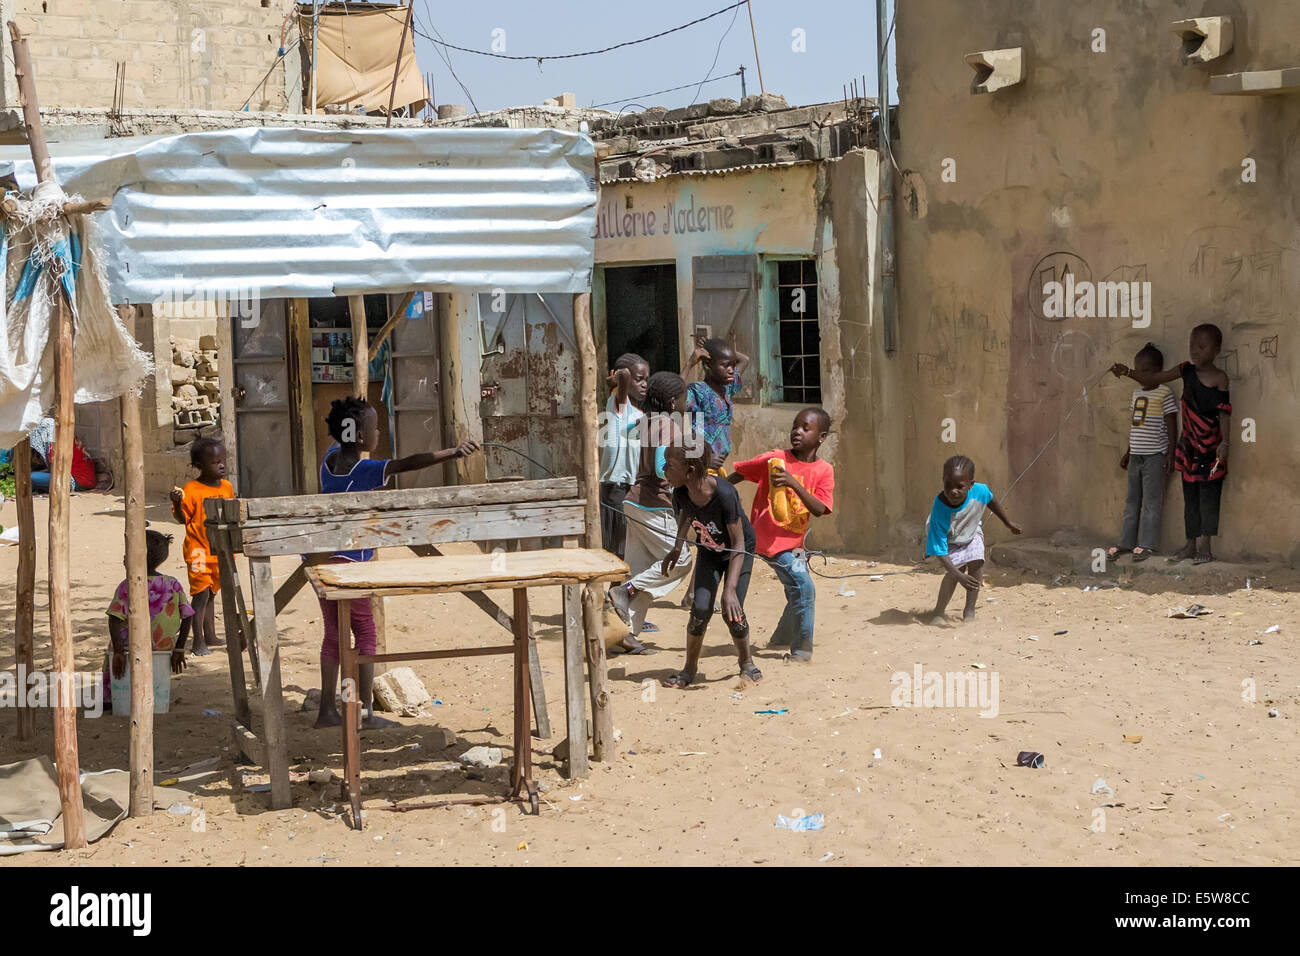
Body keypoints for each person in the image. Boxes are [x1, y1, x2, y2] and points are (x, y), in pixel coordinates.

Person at [313, 396, 480, 729]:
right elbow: (410, 463)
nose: (378, 434)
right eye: (374, 428)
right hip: (351, 566)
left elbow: (351, 444)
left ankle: (327, 711)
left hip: (322, 560)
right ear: (359, 436)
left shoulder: (328, 461)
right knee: (365, 630)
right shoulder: (367, 470)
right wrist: (453, 452)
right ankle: (363, 712)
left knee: (333, 635)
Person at [1111, 323, 1230, 564]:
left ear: (1216, 349)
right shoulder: (1185, 370)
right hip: (1189, 446)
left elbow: (1225, 412)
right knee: (1190, 497)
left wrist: (1226, 442)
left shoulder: (1220, 378)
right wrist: (1127, 372)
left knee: (1208, 496)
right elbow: (1151, 378)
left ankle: (1205, 546)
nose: (1195, 351)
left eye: (1201, 346)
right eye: (1191, 346)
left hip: (1210, 446)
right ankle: (1190, 544)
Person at [729, 407, 835, 662]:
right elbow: (741, 473)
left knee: (797, 590)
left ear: (821, 437)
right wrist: (717, 490)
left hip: (794, 544)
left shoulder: (824, 470)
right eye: (794, 427)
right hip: (770, 542)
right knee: (803, 587)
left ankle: (781, 637)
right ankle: (801, 651)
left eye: (805, 428)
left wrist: (792, 482)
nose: (796, 432)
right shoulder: (776, 459)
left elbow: (820, 508)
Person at [607, 371, 694, 654]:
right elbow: (661, 466)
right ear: (672, 402)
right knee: (680, 560)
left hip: (633, 502)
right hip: (652, 504)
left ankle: (626, 634)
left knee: (644, 571)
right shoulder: (670, 426)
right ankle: (623, 591)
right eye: (683, 398)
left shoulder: (644, 422)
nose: (687, 403)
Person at [660, 443, 760, 687]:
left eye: (670, 466)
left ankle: (747, 663)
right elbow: (686, 513)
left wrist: (729, 589)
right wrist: (676, 546)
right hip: (709, 551)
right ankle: (689, 669)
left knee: (731, 610)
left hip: (738, 552)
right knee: (700, 610)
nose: (664, 470)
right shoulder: (681, 491)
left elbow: (738, 543)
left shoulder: (724, 495)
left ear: (690, 470)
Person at [925, 455, 1020, 624]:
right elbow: (940, 550)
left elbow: (991, 500)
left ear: (971, 485)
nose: (953, 491)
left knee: (977, 562)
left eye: (959, 486)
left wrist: (1008, 523)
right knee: (955, 573)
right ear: (943, 481)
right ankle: (939, 612)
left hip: (971, 531)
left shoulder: (979, 491)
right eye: (948, 485)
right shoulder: (939, 510)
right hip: (950, 538)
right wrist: (958, 575)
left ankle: (969, 610)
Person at [104, 530, 194, 707]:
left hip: (132, 644)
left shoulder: (127, 586)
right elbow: (188, 616)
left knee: (111, 652)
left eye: (127, 552)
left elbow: (114, 619)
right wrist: (179, 648)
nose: (124, 556)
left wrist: (119, 652)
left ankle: (109, 697)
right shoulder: (173, 584)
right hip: (164, 646)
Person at [1107, 343, 1177, 562]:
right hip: (1137, 455)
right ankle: (1126, 543)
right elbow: (1135, 425)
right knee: (1131, 501)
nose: (1140, 375)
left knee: (1151, 502)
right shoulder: (1136, 394)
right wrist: (1129, 452)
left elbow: (1172, 423)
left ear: (1158, 371)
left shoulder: (1164, 393)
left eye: (1145, 371)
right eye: (1138, 370)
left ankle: (1147, 545)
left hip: (1155, 455)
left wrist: (1171, 453)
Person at [169, 437, 233, 656]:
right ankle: (197, 642)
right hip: (198, 549)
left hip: (220, 551)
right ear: (200, 466)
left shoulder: (227, 487)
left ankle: (210, 634)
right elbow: (181, 519)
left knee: (212, 592)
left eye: (223, 460)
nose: (222, 465)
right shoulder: (191, 490)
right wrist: (178, 503)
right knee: (201, 594)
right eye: (215, 462)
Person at [599, 352, 649, 559]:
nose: (644, 384)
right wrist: (617, 379)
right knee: (617, 546)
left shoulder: (640, 414)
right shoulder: (617, 405)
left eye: (647, 379)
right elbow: (625, 378)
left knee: (628, 544)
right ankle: (614, 589)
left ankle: (618, 588)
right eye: (639, 380)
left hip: (632, 485)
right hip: (616, 486)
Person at [683, 338, 750, 473]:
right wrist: (690, 363)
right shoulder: (698, 391)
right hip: (698, 466)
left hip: (716, 468)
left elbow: (745, 360)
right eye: (725, 365)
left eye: (732, 365)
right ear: (708, 365)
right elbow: (673, 395)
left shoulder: (727, 388)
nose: (731, 370)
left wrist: (715, 347)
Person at [27, 416, 97, 492]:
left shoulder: (54, 444)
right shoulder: (60, 434)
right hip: (84, 479)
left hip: (77, 481)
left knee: (29, 478)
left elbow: (55, 471)